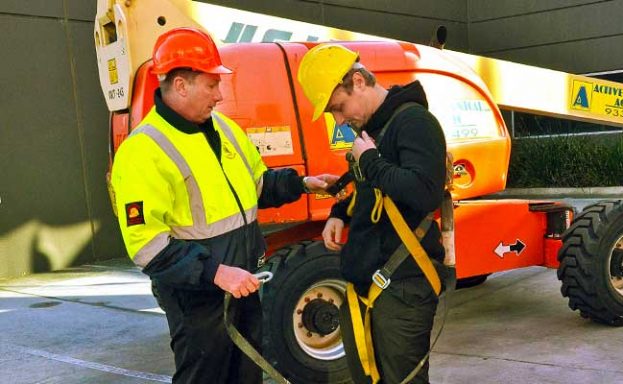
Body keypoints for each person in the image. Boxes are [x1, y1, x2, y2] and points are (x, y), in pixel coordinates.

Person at [110, 27, 337, 383]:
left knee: (246, 375)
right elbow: (147, 247)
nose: (220, 95)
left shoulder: (225, 130)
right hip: (197, 300)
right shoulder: (142, 152)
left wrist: (304, 183)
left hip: (242, 286)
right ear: (181, 85)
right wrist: (217, 273)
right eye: (211, 84)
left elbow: (258, 185)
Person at [297, 44, 448, 383]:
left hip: (402, 287)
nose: (339, 120)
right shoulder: (375, 130)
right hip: (369, 282)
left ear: (358, 81)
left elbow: (424, 192)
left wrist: (370, 161)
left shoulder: (414, 122)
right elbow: (372, 187)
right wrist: (340, 211)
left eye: (339, 107)